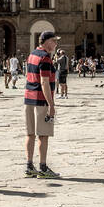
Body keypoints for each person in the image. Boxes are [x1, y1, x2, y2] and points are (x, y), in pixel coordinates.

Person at [23, 31, 59, 178]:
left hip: (29, 99)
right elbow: (44, 82)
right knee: (43, 135)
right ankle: (43, 168)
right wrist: (51, 104)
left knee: (30, 134)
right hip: (41, 100)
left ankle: (29, 166)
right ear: (46, 41)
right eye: (54, 41)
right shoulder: (45, 58)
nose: (56, 44)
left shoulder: (32, 54)